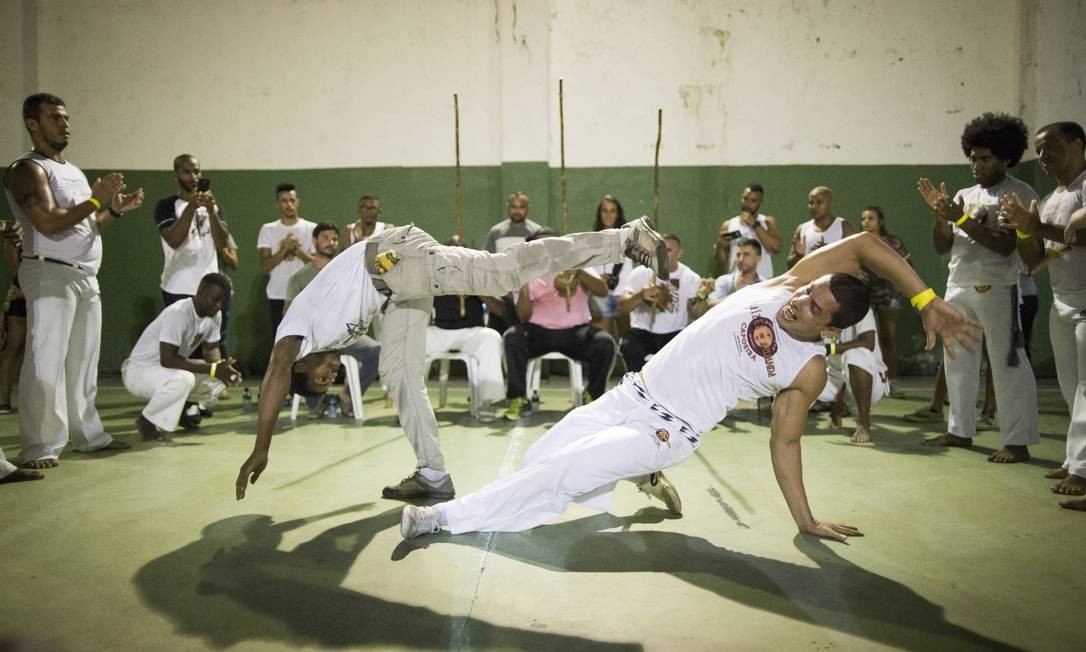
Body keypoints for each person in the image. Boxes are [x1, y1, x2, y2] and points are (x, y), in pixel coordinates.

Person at [398, 231, 980, 541]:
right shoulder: (783, 286)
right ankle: (641, 477)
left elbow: (785, 442)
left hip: (666, 429)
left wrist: (805, 520)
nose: (799, 302)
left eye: (813, 307)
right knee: (541, 457)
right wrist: (926, 299)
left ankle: (444, 519)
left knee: (559, 475)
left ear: (829, 328)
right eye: (807, 290)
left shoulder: (806, 369)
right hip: (629, 394)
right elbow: (866, 245)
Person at [235, 217, 669, 502]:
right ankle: (433, 475)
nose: (330, 374)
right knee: (398, 374)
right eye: (329, 382)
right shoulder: (321, 342)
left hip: (390, 260)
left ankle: (624, 239)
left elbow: (273, 374)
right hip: (394, 290)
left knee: (501, 272)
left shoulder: (293, 337)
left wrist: (261, 446)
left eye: (319, 377)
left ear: (299, 366)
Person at [3, 93, 144, 469]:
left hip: (85, 275)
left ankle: (89, 436)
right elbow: (48, 222)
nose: (65, 124)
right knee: (46, 360)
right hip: (49, 272)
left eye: (66, 117)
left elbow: (89, 224)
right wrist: (96, 201)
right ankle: (39, 446)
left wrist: (113, 209)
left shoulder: (76, 173)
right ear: (33, 124)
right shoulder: (27, 169)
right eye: (54, 117)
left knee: (83, 362)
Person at [917, 111, 1039, 463]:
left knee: (1007, 364)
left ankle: (1017, 441)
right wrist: (940, 217)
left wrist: (960, 217)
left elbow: (1004, 245)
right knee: (956, 360)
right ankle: (960, 429)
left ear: (1006, 158)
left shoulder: (1019, 192)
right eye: (973, 158)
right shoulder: (963, 194)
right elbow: (942, 246)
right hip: (958, 285)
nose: (976, 165)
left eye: (985, 158)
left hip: (998, 287)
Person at [998, 120, 1086, 497]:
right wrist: (1023, 230)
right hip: (1062, 301)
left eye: (1050, 146)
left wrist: (1037, 226)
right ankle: (1075, 458)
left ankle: (1082, 469)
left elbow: (1080, 235)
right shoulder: (1050, 199)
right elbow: (1034, 260)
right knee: (1070, 387)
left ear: (1077, 144)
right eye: (1038, 150)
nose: (1043, 156)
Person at [502, 230, 616, 419]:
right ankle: (518, 398)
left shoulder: (577, 263)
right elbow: (523, 316)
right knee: (512, 338)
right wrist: (524, 285)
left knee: (604, 343)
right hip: (538, 332)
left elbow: (603, 291)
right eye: (540, 245)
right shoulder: (527, 271)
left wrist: (579, 272)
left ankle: (593, 395)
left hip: (576, 332)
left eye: (551, 244)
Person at [121, 273, 241, 441]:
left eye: (223, 302)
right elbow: (168, 359)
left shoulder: (214, 315)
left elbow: (211, 349)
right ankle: (146, 421)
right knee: (184, 379)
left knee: (218, 381)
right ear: (200, 291)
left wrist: (223, 369)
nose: (218, 306)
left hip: (164, 370)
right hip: (139, 372)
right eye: (215, 300)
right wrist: (213, 369)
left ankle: (183, 410)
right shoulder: (179, 312)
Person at [285, 222, 380, 419]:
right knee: (307, 357)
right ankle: (315, 401)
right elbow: (288, 315)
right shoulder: (299, 277)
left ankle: (347, 397)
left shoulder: (345, 272)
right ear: (314, 241)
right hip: (316, 340)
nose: (331, 242)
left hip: (345, 336)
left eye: (334, 239)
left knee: (377, 352)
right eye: (325, 238)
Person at [426, 235, 504, 423]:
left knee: (492, 338)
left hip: (472, 333)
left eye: (460, 250)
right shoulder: (432, 275)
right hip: (440, 331)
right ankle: (411, 405)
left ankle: (486, 402)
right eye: (451, 250)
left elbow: (500, 310)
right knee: (410, 342)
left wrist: (478, 290)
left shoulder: (479, 275)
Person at [617, 233, 707, 373]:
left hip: (674, 332)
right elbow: (622, 306)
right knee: (628, 346)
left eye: (669, 250)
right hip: (643, 331)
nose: (663, 254)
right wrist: (640, 295)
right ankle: (640, 383)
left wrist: (703, 295)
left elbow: (697, 314)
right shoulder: (641, 273)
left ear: (679, 253)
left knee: (689, 349)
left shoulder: (690, 278)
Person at [154, 154, 231, 309]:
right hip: (177, 287)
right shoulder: (166, 205)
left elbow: (222, 243)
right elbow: (174, 241)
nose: (193, 177)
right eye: (186, 172)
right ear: (176, 175)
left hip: (209, 287)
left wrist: (211, 212)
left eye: (196, 171)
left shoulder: (215, 207)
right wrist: (191, 207)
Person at [858, 205, 911, 397]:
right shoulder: (858, 243)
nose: (866, 222)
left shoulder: (893, 243)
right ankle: (870, 383)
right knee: (865, 339)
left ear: (880, 221)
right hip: (865, 296)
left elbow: (907, 266)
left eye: (870, 218)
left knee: (887, 338)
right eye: (863, 219)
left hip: (890, 296)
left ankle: (892, 381)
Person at [820, 309, 891, 443]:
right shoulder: (820, 309)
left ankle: (864, 424)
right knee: (797, 371)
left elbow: (868, 342)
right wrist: (835, 414)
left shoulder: (861, 307)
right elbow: (834, 366)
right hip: (838, 381)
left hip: (871, 383)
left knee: (853, 355)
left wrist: (832, 348)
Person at [257, 183, 316, 336]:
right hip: (278, 294)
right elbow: (264, 266)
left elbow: (317, 265)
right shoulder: (268, 229)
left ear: (298, 202)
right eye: (284, 201)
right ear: (277, 204)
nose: (288, 204)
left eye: (292, 200)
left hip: (305, 294)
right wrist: (284, 250)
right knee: (281, 339)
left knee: (307, 339)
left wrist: (297, 251)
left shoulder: (312, 229)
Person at [484, 191, 543, 336]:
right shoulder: (496, 232)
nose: (517, 210)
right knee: (497, 339)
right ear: (508, 207)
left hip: (528, 297)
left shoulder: (536, 232)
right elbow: (488, 263)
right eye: (513, 206)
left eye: (521, 207)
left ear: (528, 208)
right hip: (502, 297)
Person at [715, 183, 781, 279]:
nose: (748, 204)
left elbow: (776, 249)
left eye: (753, 201)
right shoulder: (728, 225)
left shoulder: (767, 222)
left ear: (760, 202)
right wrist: (720, 245)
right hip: (737, 281)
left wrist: (755, 225)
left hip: (763, 281)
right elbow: (720, 261)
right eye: (745, 199)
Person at [588, 195, 632, 338]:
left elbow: (628, 269)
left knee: (626, 339)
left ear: (618, 214)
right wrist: (597, 278)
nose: (608, 215)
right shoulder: (592, 239)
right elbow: (589, 267)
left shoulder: (626, 238)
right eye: (605, 210)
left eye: (612, 211)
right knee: (602, 338)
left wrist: (626, 293)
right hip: (600, 293)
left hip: (622, 293)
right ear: (599, 213)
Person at [786, 186, 854, 268]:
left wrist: (826, 253)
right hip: (809, 275)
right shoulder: (802, 229)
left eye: (819, 202)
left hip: (835, 275)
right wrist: (798, 255)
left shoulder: (843, 226)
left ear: (829, 203)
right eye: (811, 203)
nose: (814, 206)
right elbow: (790, 265)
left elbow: (853, 259)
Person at [0, 221, 25, 413]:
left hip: (46, 297)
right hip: (21, 297)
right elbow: (16, 271)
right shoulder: (14, 238)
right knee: (13, 348)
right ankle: (3, 401)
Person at [707, 237, 767, 307]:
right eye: (738, 255)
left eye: (746, 254)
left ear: (758, 258)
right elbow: (710, 305)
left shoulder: (765, 284)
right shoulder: (724, 281)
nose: (740, 259)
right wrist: (735, 294)